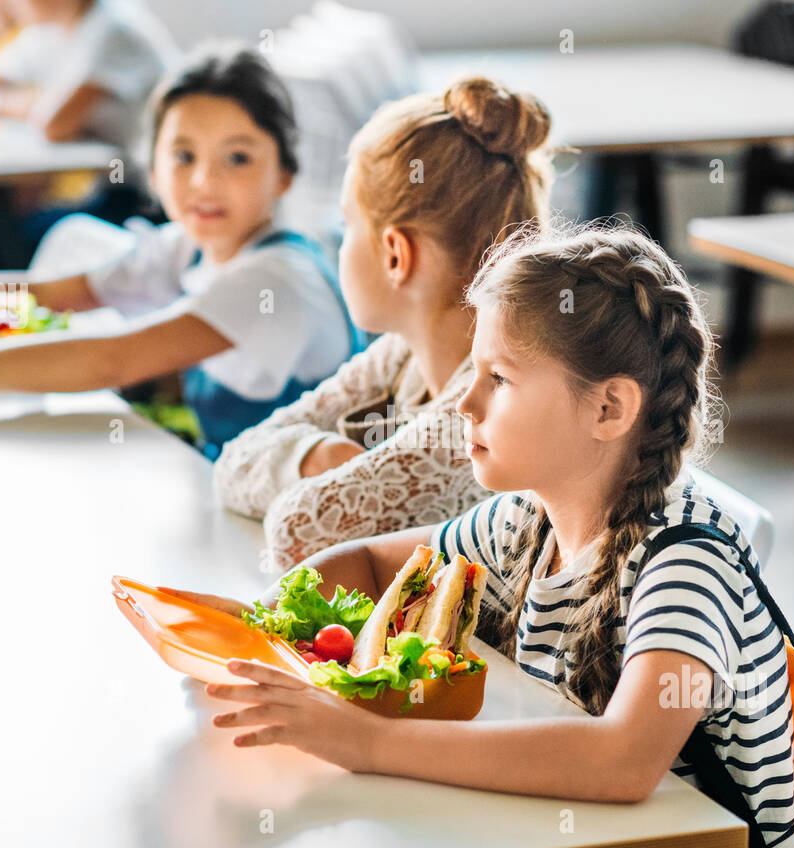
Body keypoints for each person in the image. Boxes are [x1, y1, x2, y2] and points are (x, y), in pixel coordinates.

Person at [180, 226, 794, 848]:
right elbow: (368, 564)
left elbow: (623, 762)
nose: (467, 403)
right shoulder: (522, 521)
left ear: (609, 409)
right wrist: (265, 629)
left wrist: (365, 742)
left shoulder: (688, 562)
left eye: (499, 378)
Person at [0, 44, 354, 461]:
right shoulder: (186, 247)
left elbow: (111, 359)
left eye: (238, 158)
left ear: (285, 175)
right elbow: (42, 294)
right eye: (183, 156)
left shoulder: (275, 279)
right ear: (153, 168)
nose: (203, 182)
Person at [214, 76, 553, 571]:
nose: (340, 243)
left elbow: (297, 531)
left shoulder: (495, 397)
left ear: (396, 254)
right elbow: (235, 459)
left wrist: (316, 467)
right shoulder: (402, 354)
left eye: (348, 225)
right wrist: (316, 456)